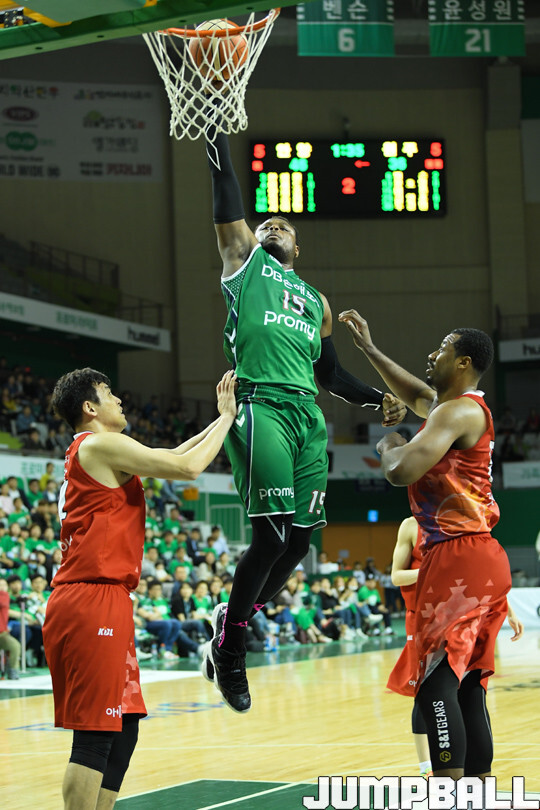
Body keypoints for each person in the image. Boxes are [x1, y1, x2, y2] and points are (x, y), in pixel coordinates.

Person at [41, 366, 237, 810]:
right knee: (94, 732)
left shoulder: (102, 450)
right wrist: (226, 417)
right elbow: (187, 467)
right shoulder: (99, 444)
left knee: (124, 725)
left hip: (105, 598)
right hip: (90, 596)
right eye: (109, 393)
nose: (120, 399)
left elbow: (173, 453)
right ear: (90, 408)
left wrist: (221, 417)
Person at [339, 311, 512, 780]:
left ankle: (448, 790)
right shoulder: (456, 406)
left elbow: (400, 471)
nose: (432, 354)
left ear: (464, 362)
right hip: (482, 555)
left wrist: (389, 441)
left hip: (458, 556)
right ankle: (476, 789)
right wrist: (370, 351)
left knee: (436, 687)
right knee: (468, 685)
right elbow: (416, 395)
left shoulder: (457, 412)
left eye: (442, 348)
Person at [388, 514, 524, 779]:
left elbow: (482, 574)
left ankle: (464, 784)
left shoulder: (468, 522)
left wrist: (507, 607)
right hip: (424, 616)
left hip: (466, 612)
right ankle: (426, 765)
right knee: (427, 692)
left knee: (468, 690)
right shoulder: (411, 525)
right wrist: (434, 570)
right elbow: (396, 576)